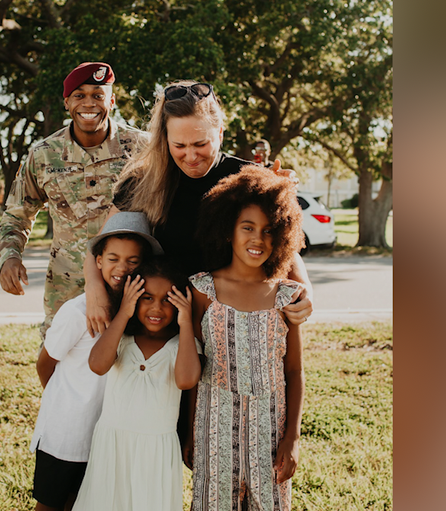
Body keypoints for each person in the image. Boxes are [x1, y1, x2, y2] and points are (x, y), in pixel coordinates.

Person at [81, 80, 313, 336]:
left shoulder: (248, 178)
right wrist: (94, 290)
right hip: (162, 323)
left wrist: (304, 287)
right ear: (165, 138)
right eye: (179, 146)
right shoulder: (143, 181)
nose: (191, 157)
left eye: (201, 144)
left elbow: (280, 244)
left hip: (229, 322)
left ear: (220, 133)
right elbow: (99, 246)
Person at [0, 62, 149, 336]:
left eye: (98, 95)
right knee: (57, 353)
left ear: (111, 101)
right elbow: (17, 215)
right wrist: (9, 256)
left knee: (129, 355)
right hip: (66, 286)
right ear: (67, 103)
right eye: (79, 95)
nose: (89, 103)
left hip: (132, 281)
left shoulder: (142, 149)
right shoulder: (44, 154)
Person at [186, 166, 305, 511]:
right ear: (228, 230)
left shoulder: (286, 295)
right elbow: (195, 366)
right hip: (214, 429)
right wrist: (189, 431)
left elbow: (295, 371)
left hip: (271, 433)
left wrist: (292, 438)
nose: (258, 239)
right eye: (248, 228)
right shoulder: (203, 290)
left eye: (269, 230)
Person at [28, 212, 163, 511]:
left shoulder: (139, 314)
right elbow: (44, 363)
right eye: (113, 258)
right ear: (98, 261)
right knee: (50, 505)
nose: (122, 268)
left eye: (132, 261)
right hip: (65, 435)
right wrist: (64, 403)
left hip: (106, 437)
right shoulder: (77, 312)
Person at [72, 258, 201, 511]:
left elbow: (186, 381)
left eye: (168, 300)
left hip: (156, 448)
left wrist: (186, 322)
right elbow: (97, 365)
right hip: (113, 444)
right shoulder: (120, 338)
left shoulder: (182, 345)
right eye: (147, 298)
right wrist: (124, 311)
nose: (157, 308)